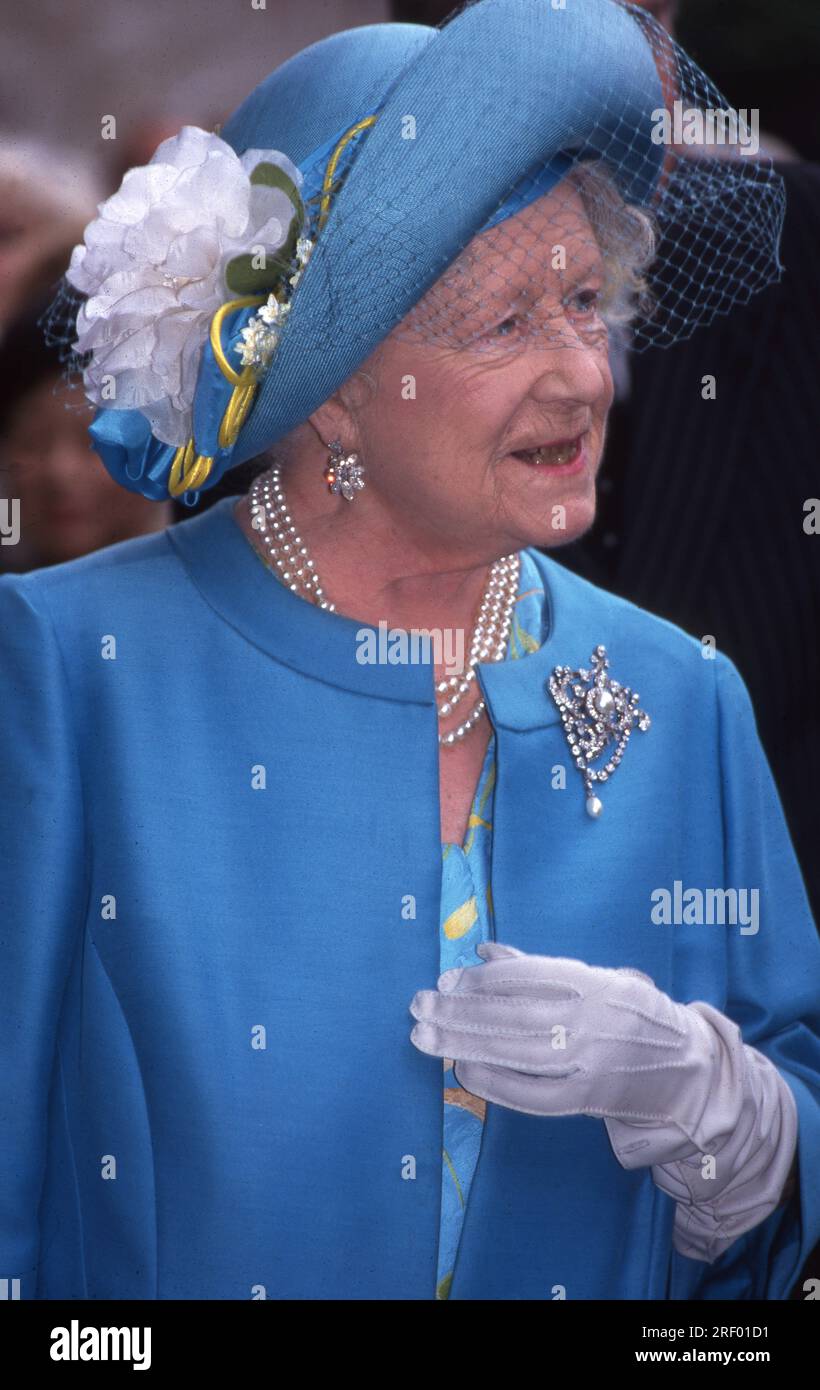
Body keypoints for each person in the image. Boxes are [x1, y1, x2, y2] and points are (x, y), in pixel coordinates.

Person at [1, 0, 818, 1302]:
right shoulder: (67, 669)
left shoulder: (681, 694)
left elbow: (787, 1180)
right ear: (331, 380)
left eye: (589, 301)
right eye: (507, 323)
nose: (587, 375)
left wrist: (739, 1118)